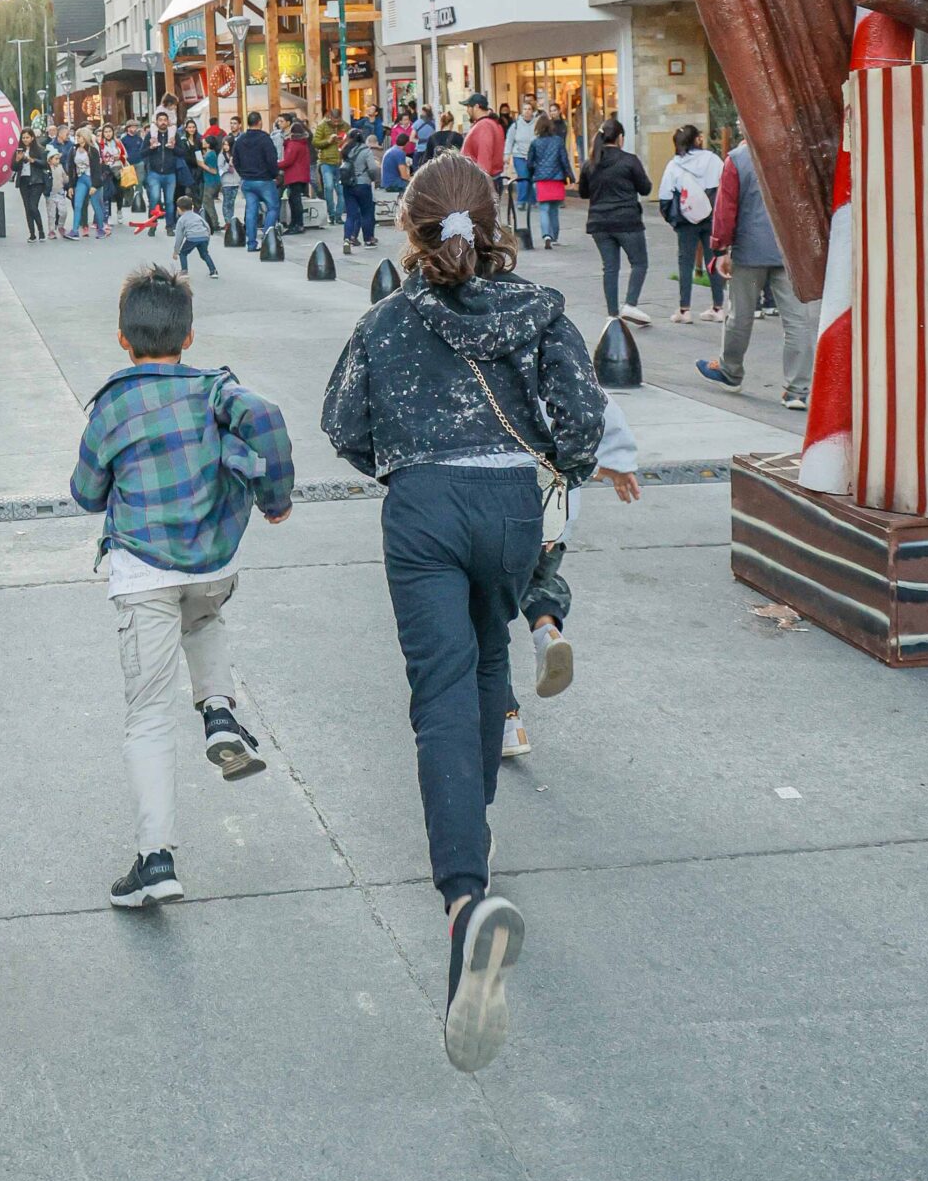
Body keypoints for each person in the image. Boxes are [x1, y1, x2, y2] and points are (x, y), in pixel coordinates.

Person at [321, 153, 604, 1071]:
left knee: (442, 688)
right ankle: (471, 825)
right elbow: (582, 420)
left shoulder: (384, 322)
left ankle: (463, 895)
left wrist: (407, 466)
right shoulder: (540, 312)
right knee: (488, 659)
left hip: (424, 509)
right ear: (493, 221)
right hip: (512, 506)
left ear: (410, 230)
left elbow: (342, 424)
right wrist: (558, 470)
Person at [71, 265, 293, 908]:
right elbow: (269, 416)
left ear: (122, 340)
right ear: (189, 337)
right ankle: (219, 711)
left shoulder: (114, 403)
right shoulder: (216, 389)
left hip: (144, 571)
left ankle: (155, 861)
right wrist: (274, 494)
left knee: (146, 717)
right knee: (203, 618)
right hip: (211, 567)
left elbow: (86, 494)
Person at [501, 398, 641, 759]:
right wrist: (617, 462)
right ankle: (546, 631)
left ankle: (506, 721)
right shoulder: (552, 346)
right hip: (553, 513)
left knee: (484, 619)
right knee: (538, 581)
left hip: (493, 501)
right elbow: (594, 400)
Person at [697, 133, 815, 409]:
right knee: (797, 320)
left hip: (749, 250)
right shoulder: (796, 156)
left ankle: (731, 370)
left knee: (740, 315)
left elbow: (725, 209)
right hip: (789, 250)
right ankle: (797, 389)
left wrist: (721, 248)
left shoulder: (737, 160)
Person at [578, 116, 654, 325]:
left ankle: (612, 314)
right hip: (627, 220)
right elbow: (645, 188)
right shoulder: (629, 161)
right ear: (620, 138)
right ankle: (630, 303)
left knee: (610, 267)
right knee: (639, 262)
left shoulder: (590, 164)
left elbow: (583, 193)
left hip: (598, 223)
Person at [658, 123, 726, 325]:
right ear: (697, 139)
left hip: (686, 220)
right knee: (713, 260)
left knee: (685, 263)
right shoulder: (713, 160)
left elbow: (664, 196)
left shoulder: (674, 165)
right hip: (711, 217)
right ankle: (718, 307)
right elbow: (725, 188)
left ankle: (684, 309)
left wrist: (673, 219)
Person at [231, 111, 280, 251]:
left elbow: (235, 160)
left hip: (247, 180)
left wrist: (243, 174)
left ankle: (251, 243)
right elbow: (271, 159)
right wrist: (274, 174)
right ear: (259, 122)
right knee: (273, 207)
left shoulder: (240, 140)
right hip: (264, 179)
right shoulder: (265, 139)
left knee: (251, 211)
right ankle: (267, 238)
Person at [525, 113, 574, 246]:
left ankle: (546, 235)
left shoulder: (535, 143)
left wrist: (532, 174)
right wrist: (570, 176)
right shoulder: (558, 141)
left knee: (543, 209)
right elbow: (564, 160)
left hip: (541, 179)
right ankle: (555, 237)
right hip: (556, 179)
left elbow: (529, 163)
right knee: (554, 210)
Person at [461, 93, 507, 208]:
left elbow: (484, 157)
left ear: (476, 107)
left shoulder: (484, 126)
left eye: (468, 107)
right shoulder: (493, 124)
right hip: (490, 180)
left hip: (482, 183)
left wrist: (482, 186)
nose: (467, 111)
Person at [340, 123, 379, 254]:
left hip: (348, 185)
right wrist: (373, 178)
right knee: (366, 212)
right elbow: (373, 168)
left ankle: (347, 238)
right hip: (363, 184)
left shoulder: (346, 151)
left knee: (350, 214)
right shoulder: (366, 150)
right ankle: (368, 239)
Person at [503, 103, 538, 251]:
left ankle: (532, 199)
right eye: (525, 109)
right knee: (523, 177)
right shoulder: (516, 125)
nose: (527, 111)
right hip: (519, 156)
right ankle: (522, 201)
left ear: (533, 111)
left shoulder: (536, 124)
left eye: (529, 109)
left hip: (533, 156)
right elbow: (509, 140)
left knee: (531, 179)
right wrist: (507, 154)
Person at [12, 128, 49, 242]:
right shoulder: (18, 151)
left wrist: (33, 160)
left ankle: (41, 231)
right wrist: (18, 160)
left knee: (33, 207)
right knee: (27, 209)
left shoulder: (40, 150)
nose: (25, 140)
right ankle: (32, 234)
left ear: (32, 138)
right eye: (23, 138)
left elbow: (45, 164)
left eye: (27, 137)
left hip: (36, 181)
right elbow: (13, 167)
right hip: (24, 180)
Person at [171, 194, 217, 279]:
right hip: (204, 236)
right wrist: (207, 240)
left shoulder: (181, 220)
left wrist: (176, 251)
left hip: (192, 238)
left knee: (183, 254)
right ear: (192, 207)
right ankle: (213, 271)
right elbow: (207, 227)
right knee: (205, 254)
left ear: (178, 209)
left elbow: (179, 237)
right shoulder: (197, 217)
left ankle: (184, 271)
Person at [280, 120, 313, 232]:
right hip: (301, 175)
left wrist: (276, 165)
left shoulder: (294, 145)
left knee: (294, 200)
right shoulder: (303, 143)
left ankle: (297, 224)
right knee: (294, 199)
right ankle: (296, 223)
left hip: (294, 176)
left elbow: (288, 161)